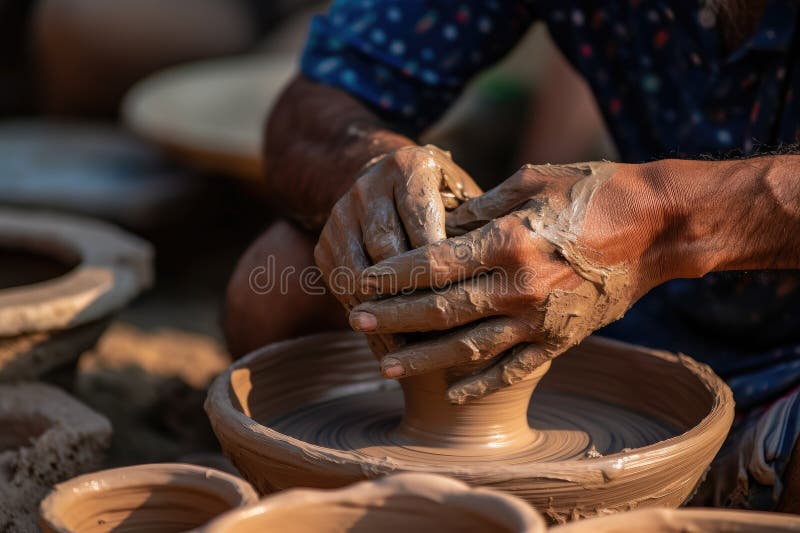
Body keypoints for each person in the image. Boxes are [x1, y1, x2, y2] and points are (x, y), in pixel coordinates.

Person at [225, 0, 800, 511]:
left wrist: (657, 217)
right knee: (277, 282)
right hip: (633, 320)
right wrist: (374, 171)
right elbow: (321, 99)